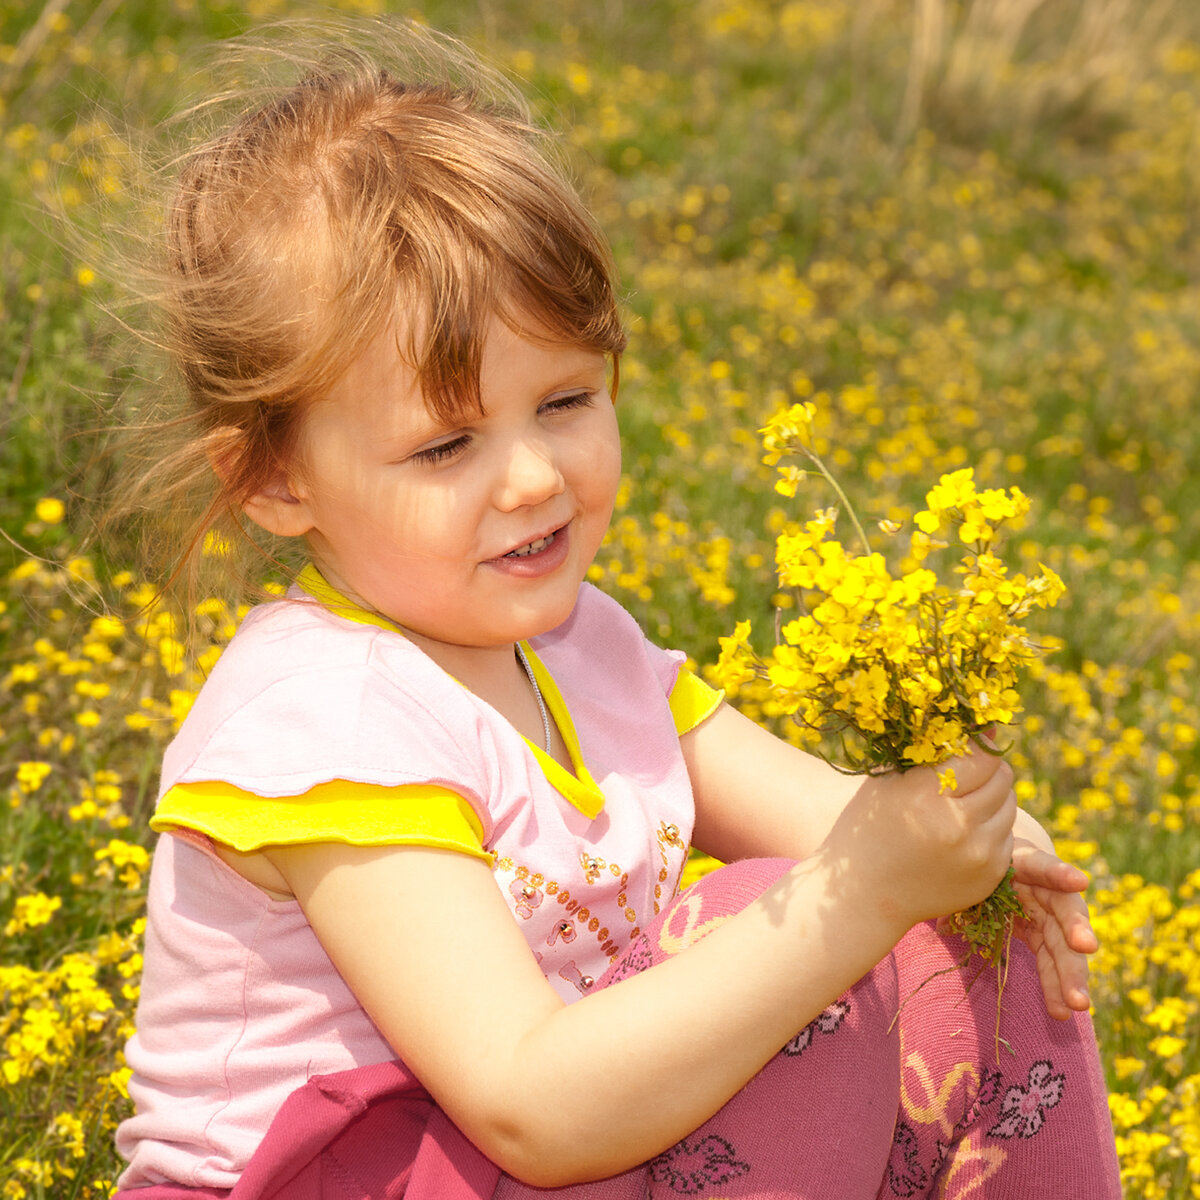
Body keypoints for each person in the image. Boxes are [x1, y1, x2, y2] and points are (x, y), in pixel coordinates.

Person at [112, 19, 1121, 1199]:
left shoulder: (587, 644)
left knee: (953, 943)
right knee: (797, 920)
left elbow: (837, 817)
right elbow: (533, 1108)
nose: (534, 477)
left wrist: (969, 845)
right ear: (276, 481)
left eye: (565, 399)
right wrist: (873, 883)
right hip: (361, 1172)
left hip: (546, 1158)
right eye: (445, 445)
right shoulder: (323, 720)